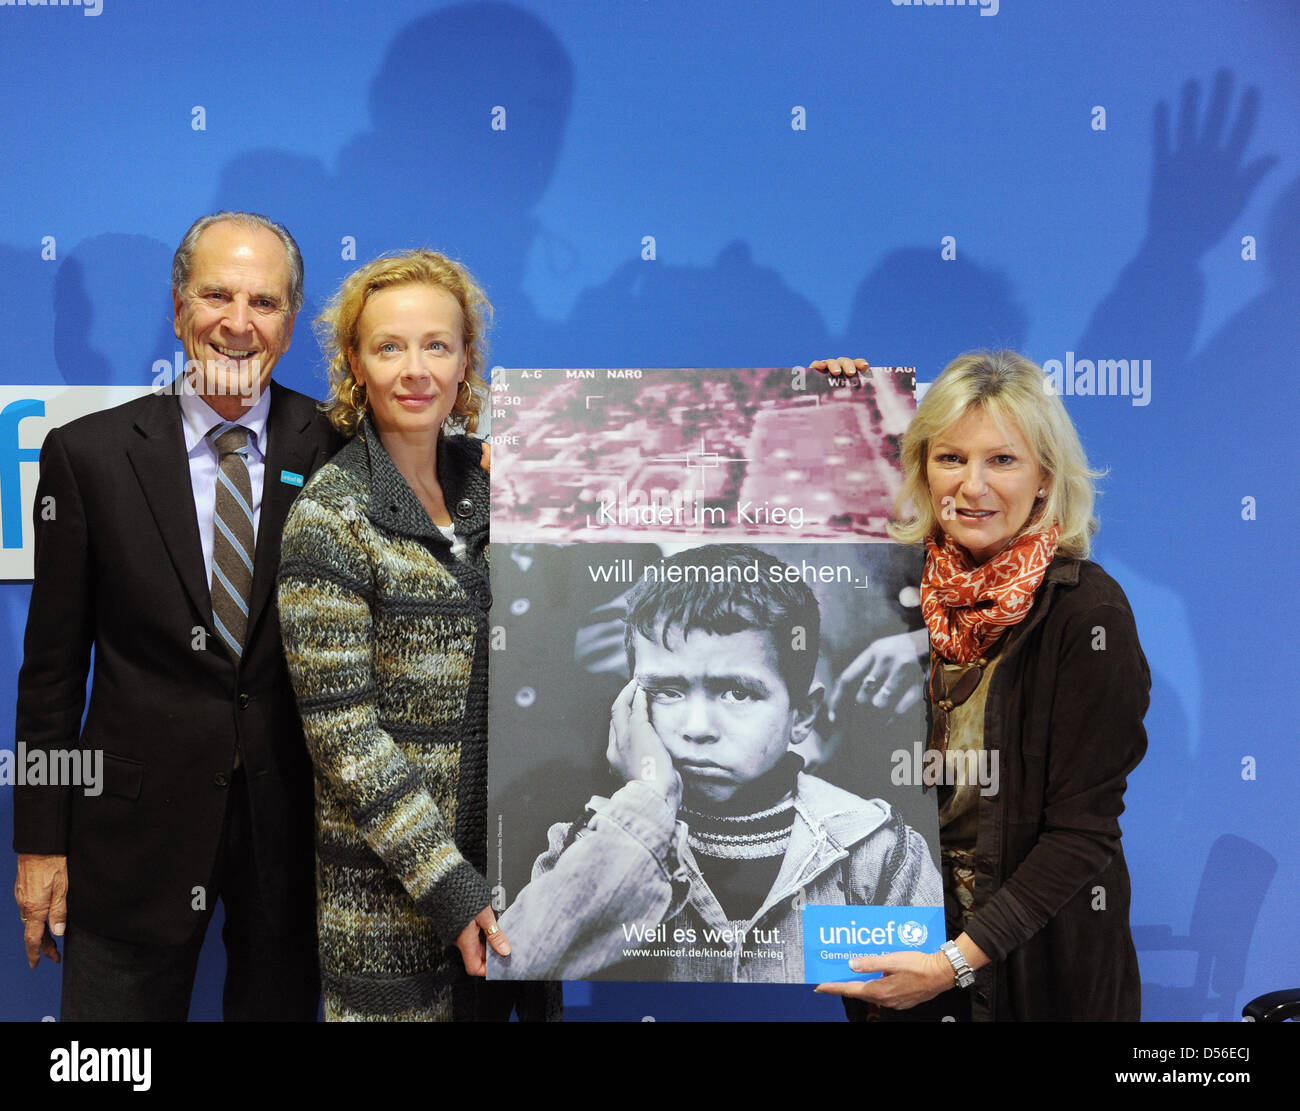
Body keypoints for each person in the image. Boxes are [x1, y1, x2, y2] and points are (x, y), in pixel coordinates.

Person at [12, 211, 340, 1020]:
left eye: (264, 302)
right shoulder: (86, 457)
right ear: (177, 307)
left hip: (294, 845)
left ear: (292, 323)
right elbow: (52, 673)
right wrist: (39, 843)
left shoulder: (337, 449)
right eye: (216, 295)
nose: (238, 323)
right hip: (129, 843)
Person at [810, 351, 1149, 1021]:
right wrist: (830, 401)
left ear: (1045, 478)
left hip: (1033, 978)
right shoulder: (909, 598)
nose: (972, 486)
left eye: (1002, 460)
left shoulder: (1087, 614)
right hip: (908, 963)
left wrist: (953, 963)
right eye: (950, 458)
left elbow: (1080, 834)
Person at [276, 249, 557, 1021]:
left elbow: (678, 496)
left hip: (523, 884)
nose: (415, 369)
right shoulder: (332, 518)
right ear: (354, 365)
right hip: (391, 904)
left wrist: (830, 402)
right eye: (389, 346)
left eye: (437, 344)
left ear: (467, 361)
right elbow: (343, 737)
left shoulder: (506, 487)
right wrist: (450, 886)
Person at [488, 543, 942, 983]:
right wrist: (646, 805)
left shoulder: (878, 850)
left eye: (738, 692)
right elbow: (521, 965)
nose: (697, 727)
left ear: (802, 714)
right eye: (667, 690)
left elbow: (914, 994)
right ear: (628, 705)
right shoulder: (586, 841)